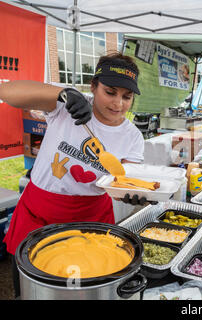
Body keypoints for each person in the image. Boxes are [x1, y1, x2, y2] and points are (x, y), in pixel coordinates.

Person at [0, 52, 145, 297]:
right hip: (39, 212)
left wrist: (129, 195)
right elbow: (7, 92)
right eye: (110, 92)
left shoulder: (132, 137)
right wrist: (61, 93)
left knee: (84, 289)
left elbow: (122, 183)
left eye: (127, 97)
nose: (118, 104)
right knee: (30, 288)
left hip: (91, 220)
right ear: (93, 86)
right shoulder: (65, 107)